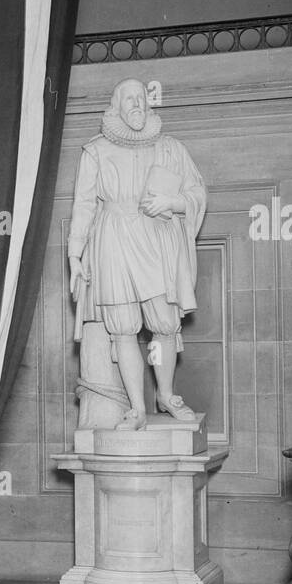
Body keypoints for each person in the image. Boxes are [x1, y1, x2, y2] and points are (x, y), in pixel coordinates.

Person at [68, 77, 206, 430]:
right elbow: (83, 205)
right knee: (124, 328)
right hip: (112, 241)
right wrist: (74, 255)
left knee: (162, 323)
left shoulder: (170, 148)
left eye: (142, 99)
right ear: (116, 106)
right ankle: (136, 408)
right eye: (129, 99)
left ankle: (165, 394)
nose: (137, 105)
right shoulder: (95, 151)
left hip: (155, 240)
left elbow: (195, 192)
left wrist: (172, 202)